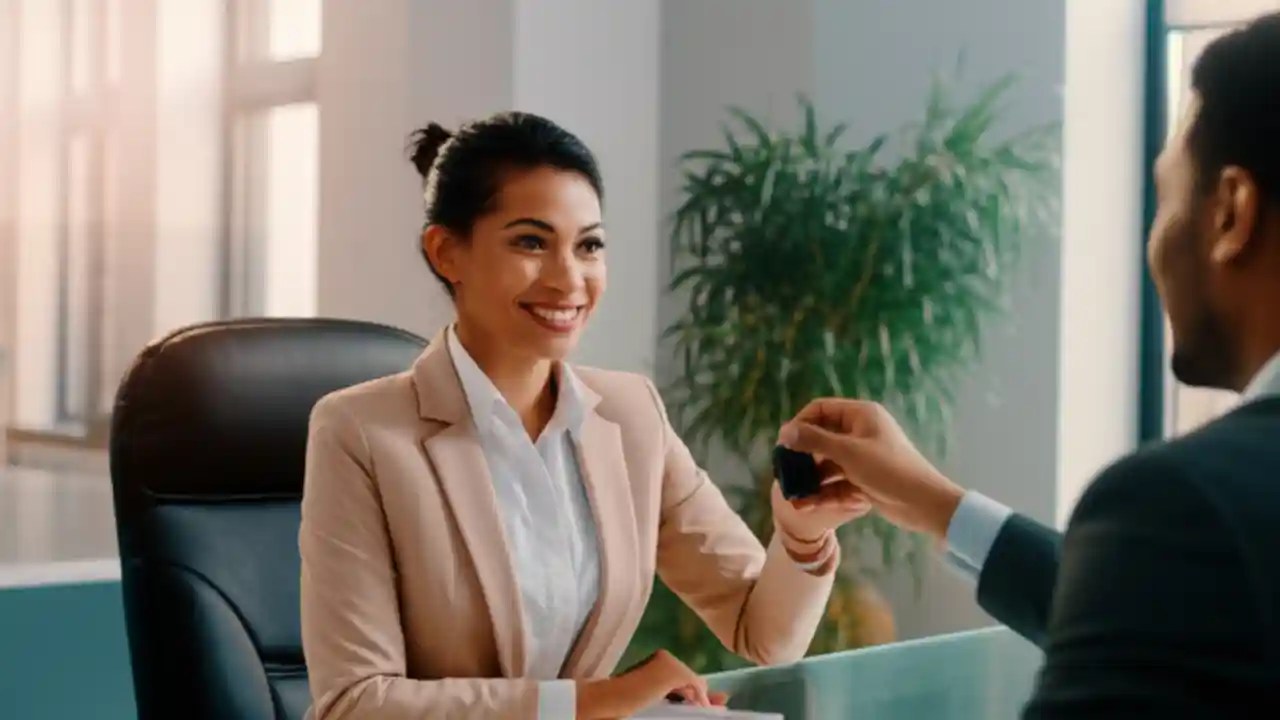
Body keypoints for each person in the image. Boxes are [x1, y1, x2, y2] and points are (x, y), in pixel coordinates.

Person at [778, 13, 1280, 718]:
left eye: (1166, 197)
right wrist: (939, 506)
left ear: (1231, 212)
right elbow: (1170, 617)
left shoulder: (1179, 507)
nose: (1155, 241)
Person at [299, 112, 870, 720]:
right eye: (530, 242)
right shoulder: (360, 433)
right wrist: (588, 702)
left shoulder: (629, 416)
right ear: (446, 253)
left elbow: (764, 633)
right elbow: (353, 703)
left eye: (589, 245)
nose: (569, 279)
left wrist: (803, 536)